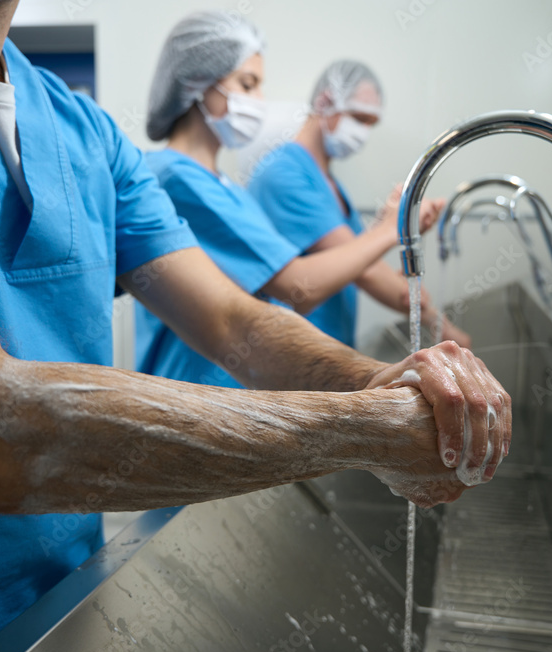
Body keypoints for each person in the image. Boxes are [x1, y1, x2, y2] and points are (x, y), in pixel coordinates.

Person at [0, 1, 509, 652]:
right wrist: (366, 429)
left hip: (67, 606)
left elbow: (235, 319)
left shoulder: (84, 130)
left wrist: (377, 383)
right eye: (245, 81)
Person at [136, 12, 459, 388]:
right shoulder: (177, 179)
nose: (258, 100)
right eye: (246, 83)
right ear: (196, 80)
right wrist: (390, 229)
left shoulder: (223, 186)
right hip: (194, 395)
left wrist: (389, 226)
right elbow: (299, 287)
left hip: (233, 392)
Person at [247, 60, 472, 349]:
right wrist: (442, 326)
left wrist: (395, 229)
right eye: (359, 118)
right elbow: (370, 274)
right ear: (325, 101)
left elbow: (359, 258)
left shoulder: (329, 183)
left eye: (371, 124)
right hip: (295, 350)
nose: (363, 132)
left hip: (328, 347)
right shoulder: (285, 174)